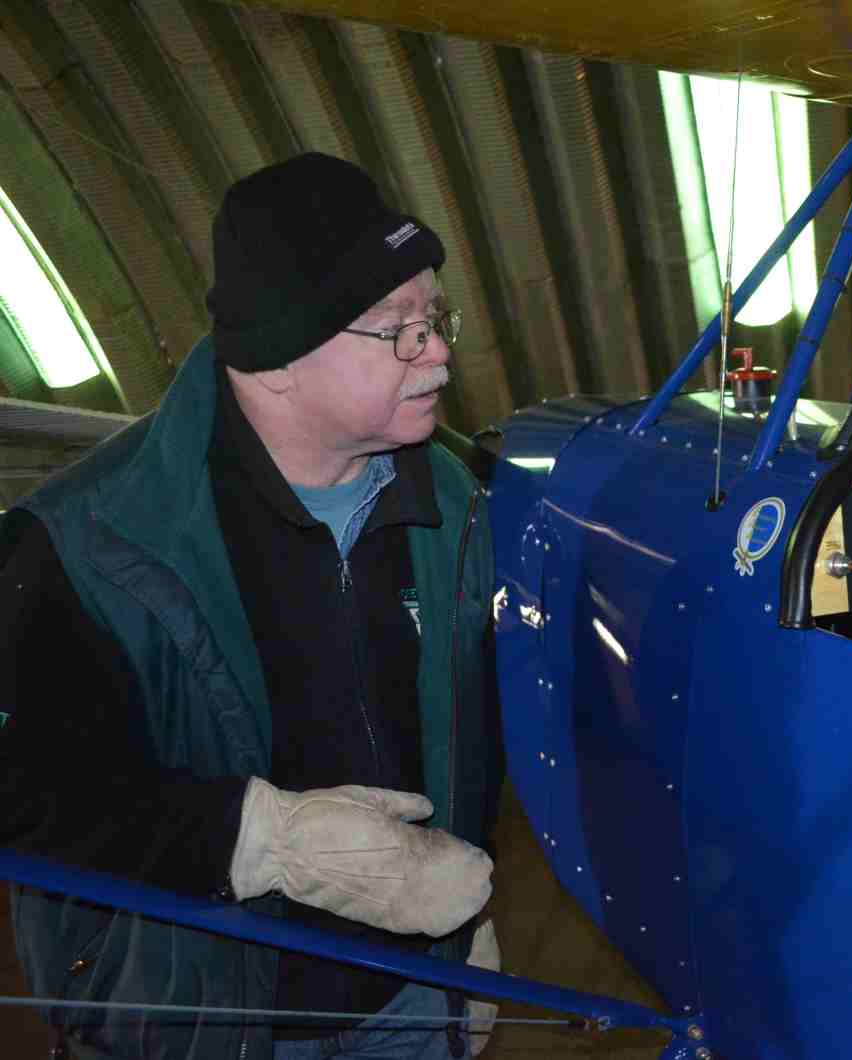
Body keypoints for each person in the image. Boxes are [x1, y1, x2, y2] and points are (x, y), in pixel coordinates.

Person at [0, 153, 505, 1059]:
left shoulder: (460, 507)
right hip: (203, 1019)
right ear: (276, 360)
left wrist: (463, 940)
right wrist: (261, 839)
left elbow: (472, 731)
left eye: (435, 317)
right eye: (396, 329)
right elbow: (24, 789)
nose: (436, 351)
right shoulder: (82, 546)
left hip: (409, 1000)